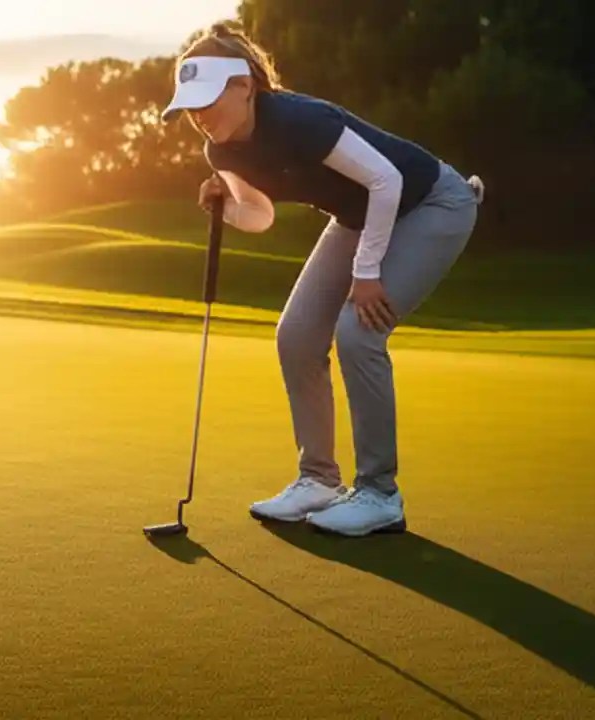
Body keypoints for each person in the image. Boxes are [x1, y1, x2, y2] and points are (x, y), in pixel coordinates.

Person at [160, 23, 484, 537]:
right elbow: (260, 215)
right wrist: (225, 209)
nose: (199, 116)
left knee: (358, 332)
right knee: (296, 337)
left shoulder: (299, 119)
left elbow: (387, 181)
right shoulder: (221, 152)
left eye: (208, 100)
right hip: (361, 217)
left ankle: (380, 494)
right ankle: (319, 480)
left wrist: (367, 272)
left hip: (433, 203)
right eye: (191, 106)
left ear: (244, 86)